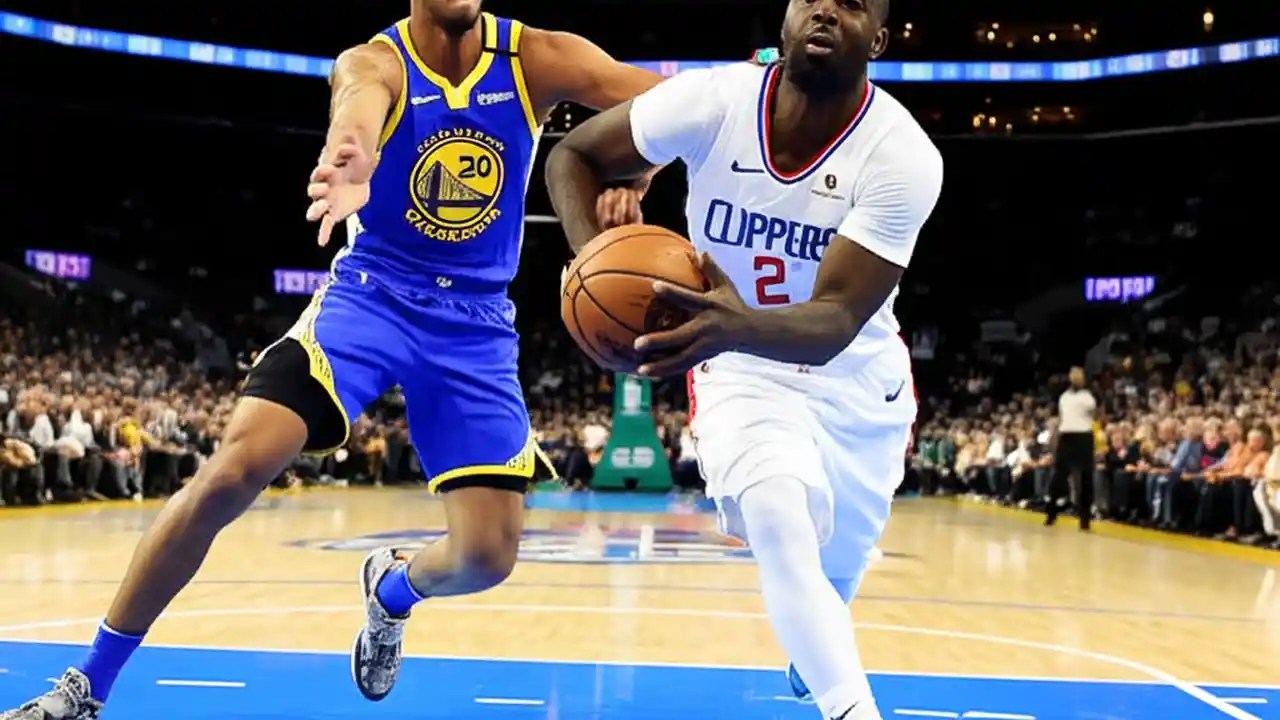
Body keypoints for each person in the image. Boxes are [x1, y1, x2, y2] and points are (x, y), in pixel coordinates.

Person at [2, 2, 664, 717]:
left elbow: (671, 105)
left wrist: (636, 167)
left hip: (474, 324)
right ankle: (86, 687)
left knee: (486, 557)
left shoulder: (534, 56)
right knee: (231, 472)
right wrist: (350, 152)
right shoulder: (375, 61)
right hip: (372, 298)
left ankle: (393, 591)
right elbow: (356, 107)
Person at [546, 1, 943, 717]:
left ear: (879, 40)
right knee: (778, 521)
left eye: (852, 3)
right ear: (785, 18)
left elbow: (835, 319)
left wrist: (736, 323)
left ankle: (820, 635)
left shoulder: (902, 154)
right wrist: (595, 261)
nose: (826, 8)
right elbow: (571, 155)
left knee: (834, 577)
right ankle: (851, 706)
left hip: (854, 382)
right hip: (740, 372)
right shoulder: (714, 99)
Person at [1044, 367, 1098, 529]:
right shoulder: (1064, 397)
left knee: (1085, 478)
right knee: (1058, 477)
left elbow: (1095, 413)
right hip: (1068, 437)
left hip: (1083, 436)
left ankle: (1084, 518)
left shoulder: (1088, 396)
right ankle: (1051, 512)